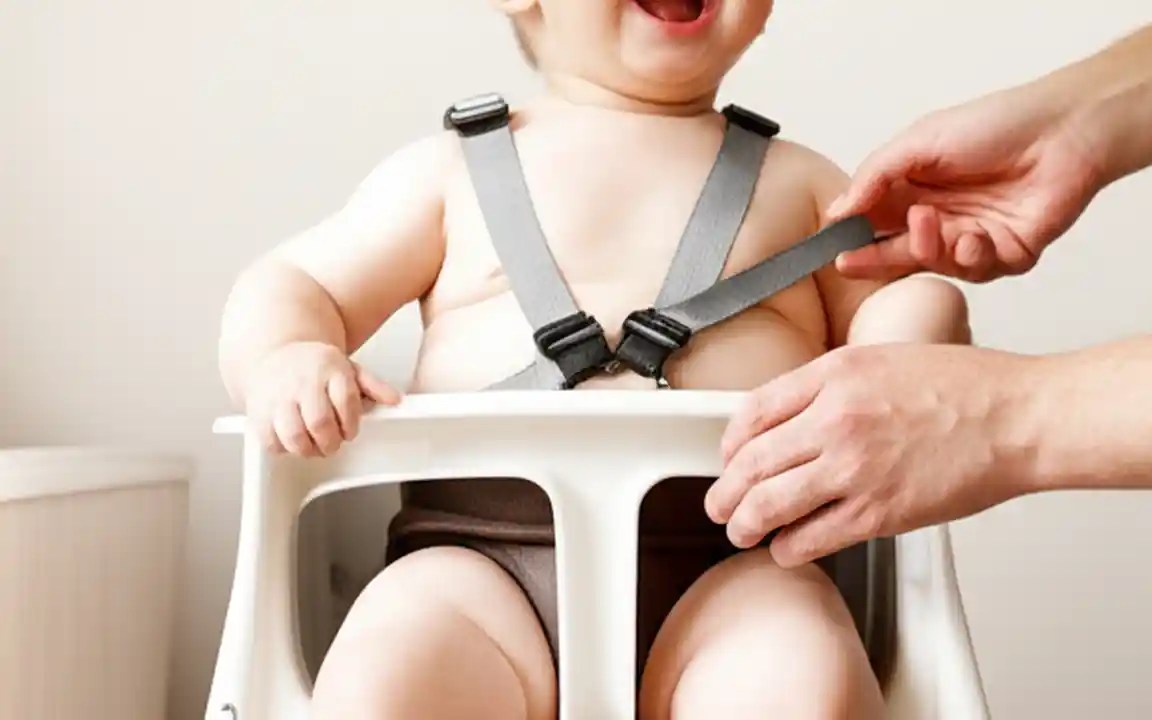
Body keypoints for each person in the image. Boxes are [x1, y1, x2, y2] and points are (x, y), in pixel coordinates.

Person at [217, 0, 973, 717]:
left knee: (800, 678)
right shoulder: (451, 173)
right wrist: (286, 355)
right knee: (388, 672)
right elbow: (296, 283)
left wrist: (920, 322)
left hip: (738, 566)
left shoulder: (807, 185)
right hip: (477, 565)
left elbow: (887, 310)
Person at [708, 0, 1152, 570]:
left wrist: (993, 406)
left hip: (761, 567)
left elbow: (880, 328)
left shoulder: (797, 182)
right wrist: (1076, 125)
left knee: (788, 627)